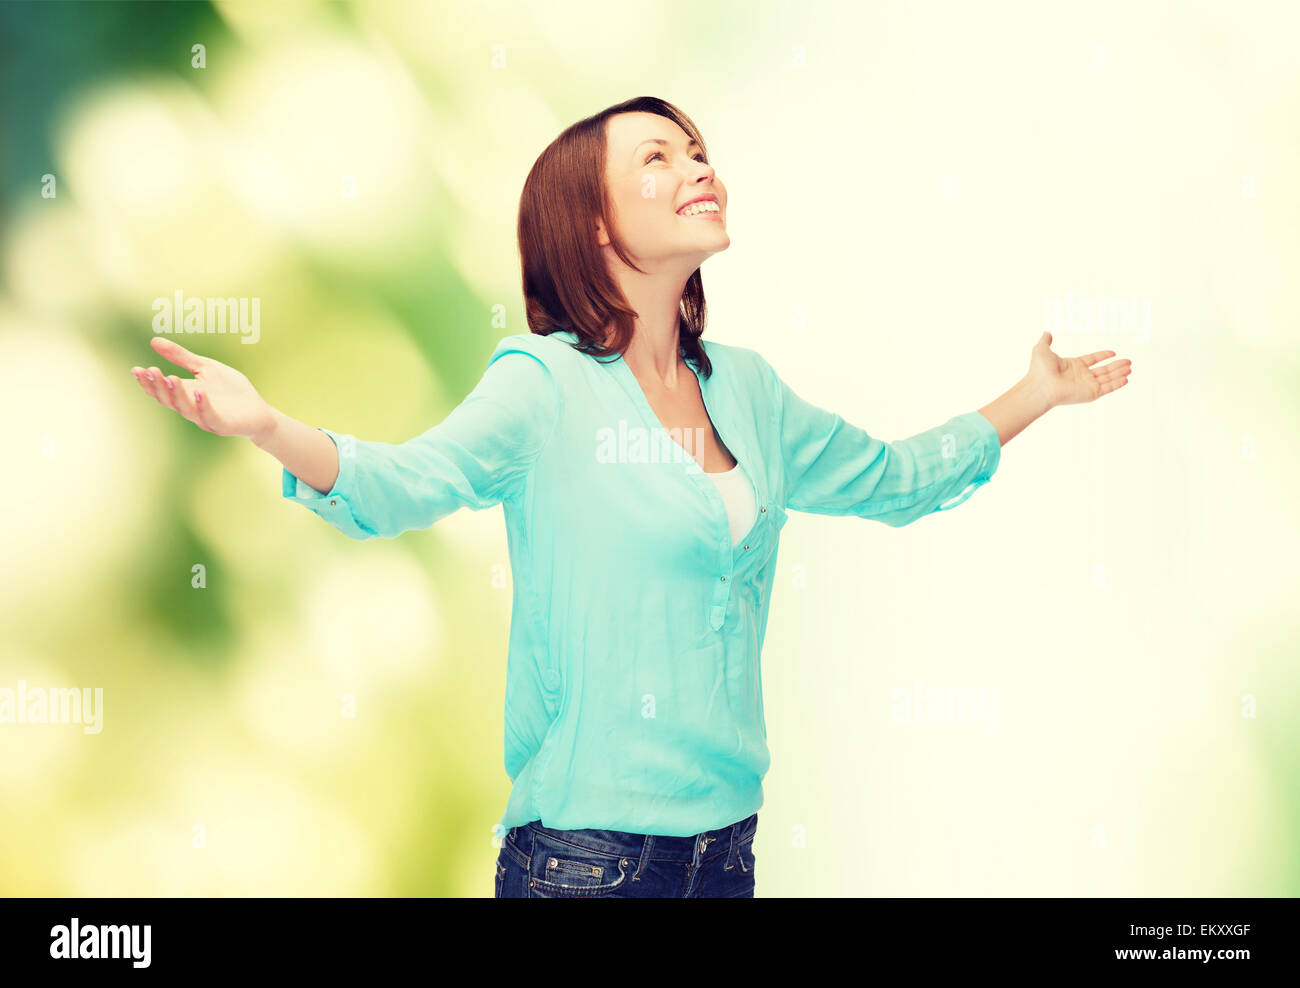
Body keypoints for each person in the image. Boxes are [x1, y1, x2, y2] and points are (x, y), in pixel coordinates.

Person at [129, 96, 1132, 897]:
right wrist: (264, 424)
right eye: (658, 157)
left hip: (726, 855)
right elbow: (402, 485)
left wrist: (1034, 395)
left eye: (697, 149)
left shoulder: (748, 390)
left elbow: (895, 480)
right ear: (593, 222)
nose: (699, 165)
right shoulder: (542, 386)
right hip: (585, 865)